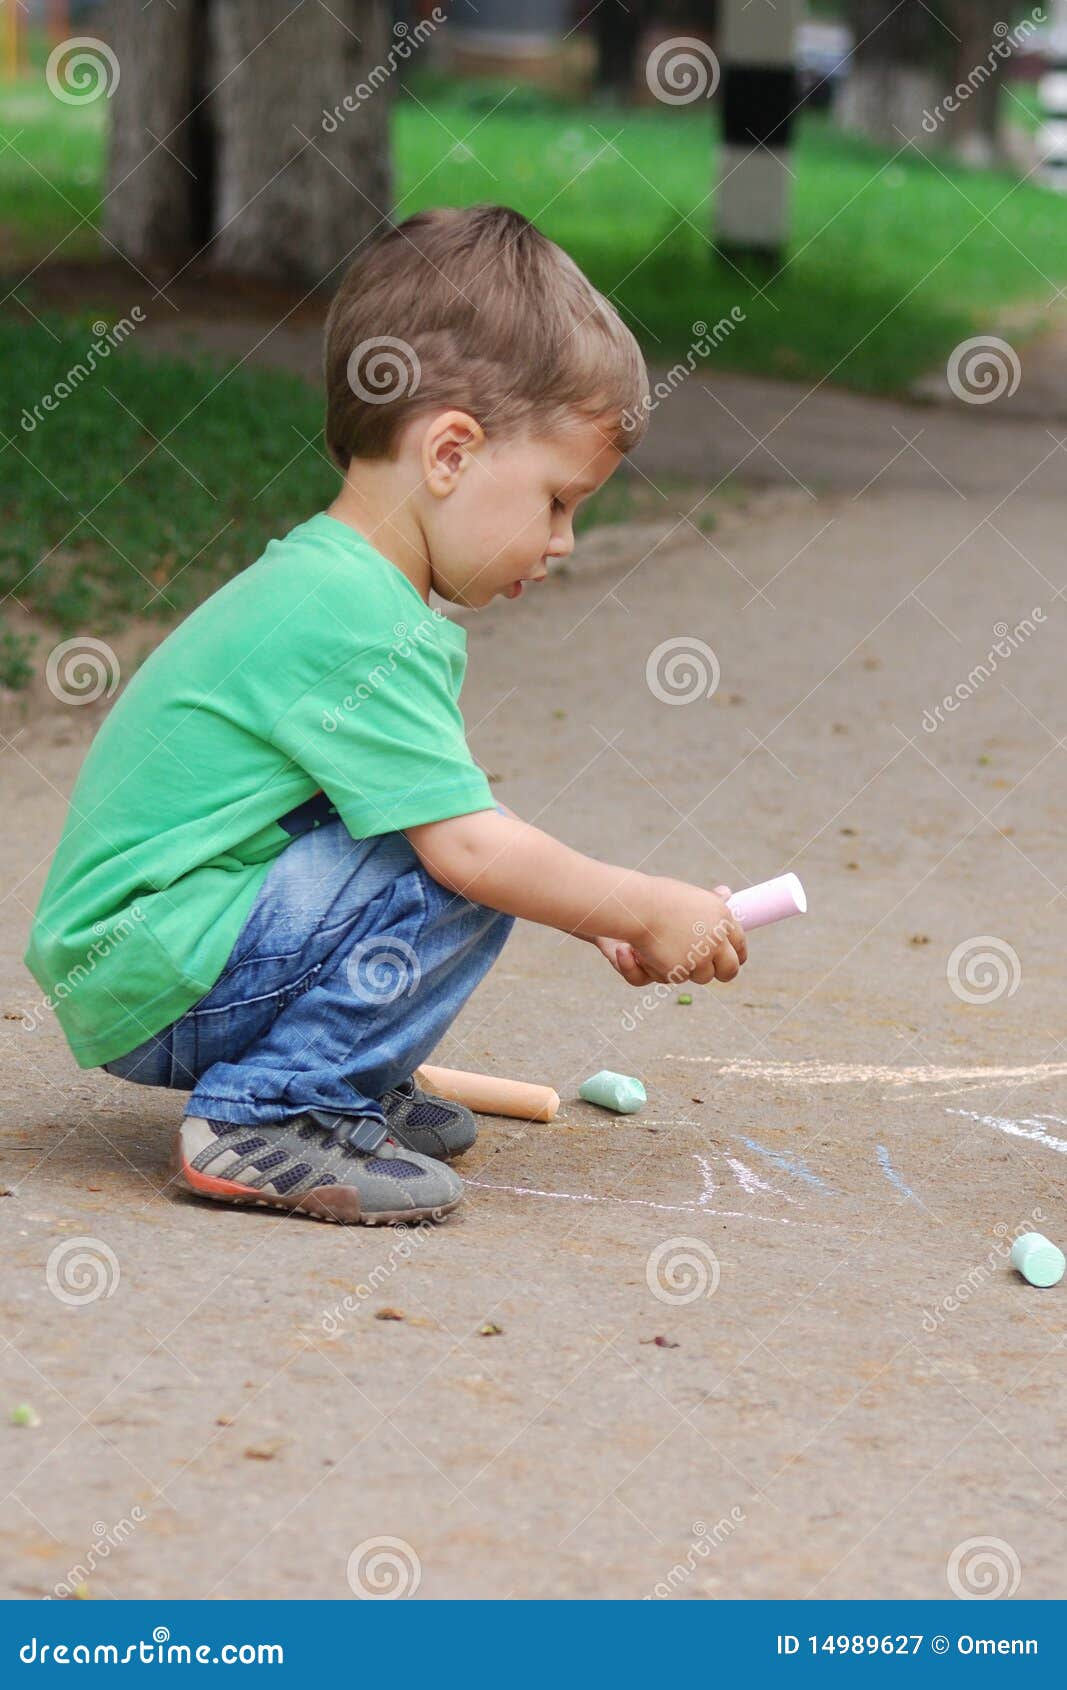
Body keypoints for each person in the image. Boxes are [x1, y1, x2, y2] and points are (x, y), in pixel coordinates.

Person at [25, 205, 746, 1227]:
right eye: (555, 500)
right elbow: (467, 853)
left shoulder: (332, 584)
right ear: (449, 453)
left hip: (154, 950)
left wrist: (603, 912)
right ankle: (273, 1108)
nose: (564, 542)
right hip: (158, 968)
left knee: (435, 842)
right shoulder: (361, 620)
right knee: (452, 870)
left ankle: (334, 1076)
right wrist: (631, 905)